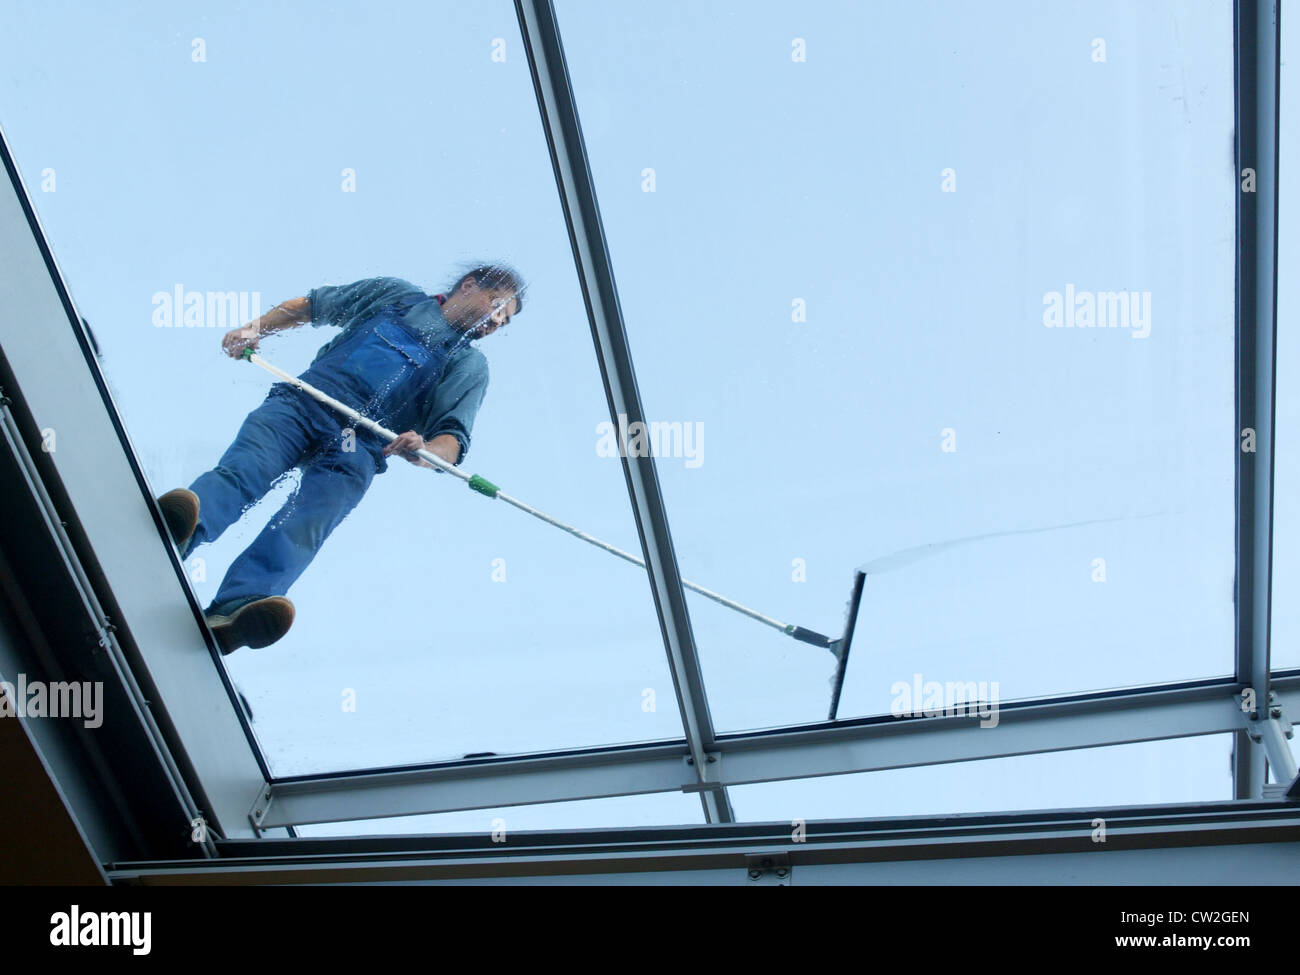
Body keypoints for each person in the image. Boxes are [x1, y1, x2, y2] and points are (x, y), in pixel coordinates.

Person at [157, 265, 525, 653]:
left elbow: (451, 439)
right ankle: (181, 531)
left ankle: (235, 610)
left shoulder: (469, 365)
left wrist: (426, 451)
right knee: (247, 468)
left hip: (360, 446)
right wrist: (256, 328)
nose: (498, 322)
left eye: (506, 320)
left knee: (306, 523)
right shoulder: (394, 296)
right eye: (497, 305)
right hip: (302, 404)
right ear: (468, 286)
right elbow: (312, 307)